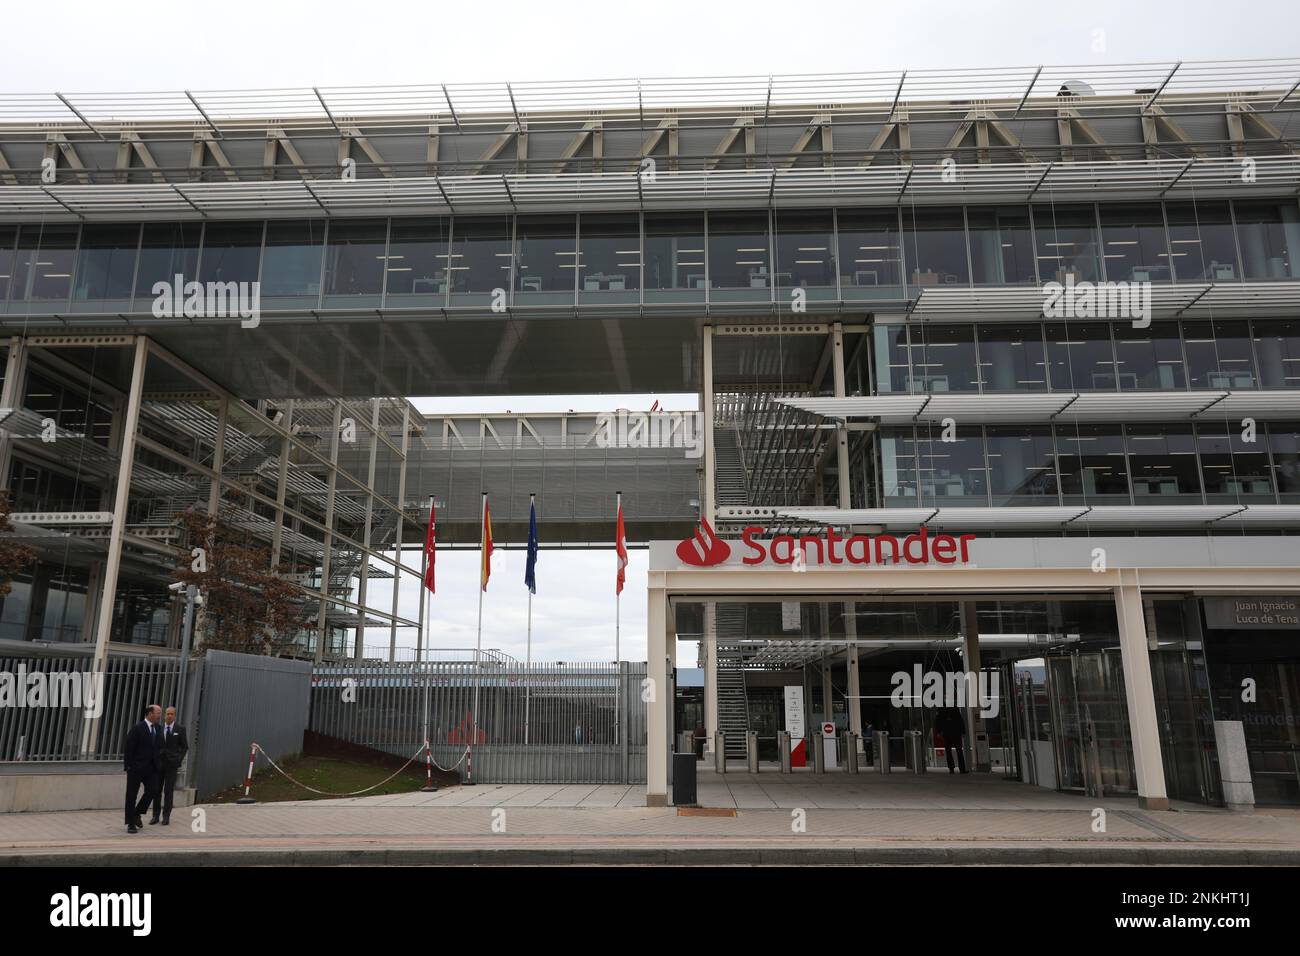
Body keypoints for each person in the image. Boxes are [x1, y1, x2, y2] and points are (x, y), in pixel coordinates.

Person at [123, 704, 162, 833]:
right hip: (136, 768)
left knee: (153, 790)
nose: (159, 716)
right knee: (131, 795)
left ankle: (136, 813)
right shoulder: (138, 728)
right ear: (150, 714)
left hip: (152, 768)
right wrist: (129, 766)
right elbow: (129, 748)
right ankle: (130, 824)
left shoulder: (158, 729)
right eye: (158, 713)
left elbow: (159, 747)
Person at [149, 706, 189, 826]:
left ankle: (166, 816)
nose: (169, 716)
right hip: (159, 764)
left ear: (175, 716)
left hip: (172, 765)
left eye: (171, 714)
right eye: (167, 714)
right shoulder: (158, 728)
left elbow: (185, 746)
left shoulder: (180, 729)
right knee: (157, 790)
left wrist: (178, 760)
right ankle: (155, 816)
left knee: (168, 791)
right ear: (164, 715)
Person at [937, 706, 968, 774]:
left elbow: (960, 719)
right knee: (950, 751)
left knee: (957, 750)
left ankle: (959, 768)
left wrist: (963, 731)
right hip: (949, 732)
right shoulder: (943, 708)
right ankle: (953, 768)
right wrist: (939, 731)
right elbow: (939, 720)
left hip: (953, 732)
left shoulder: (950, 708)